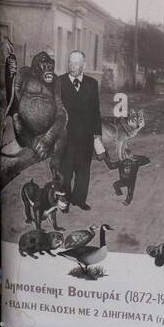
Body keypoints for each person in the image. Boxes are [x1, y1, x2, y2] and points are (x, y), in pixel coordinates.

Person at [57, 50, 103, 211]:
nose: (72, 66)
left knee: (84, 171)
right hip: (66, 137)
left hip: (86, 137)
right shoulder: (59, 82)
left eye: (76, 63)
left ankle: (80, 199)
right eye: (70, 62)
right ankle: (66, 201)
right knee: (66, 171)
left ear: (84, 65)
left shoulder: (92, 84)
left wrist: (97, 135)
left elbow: (96, 111)